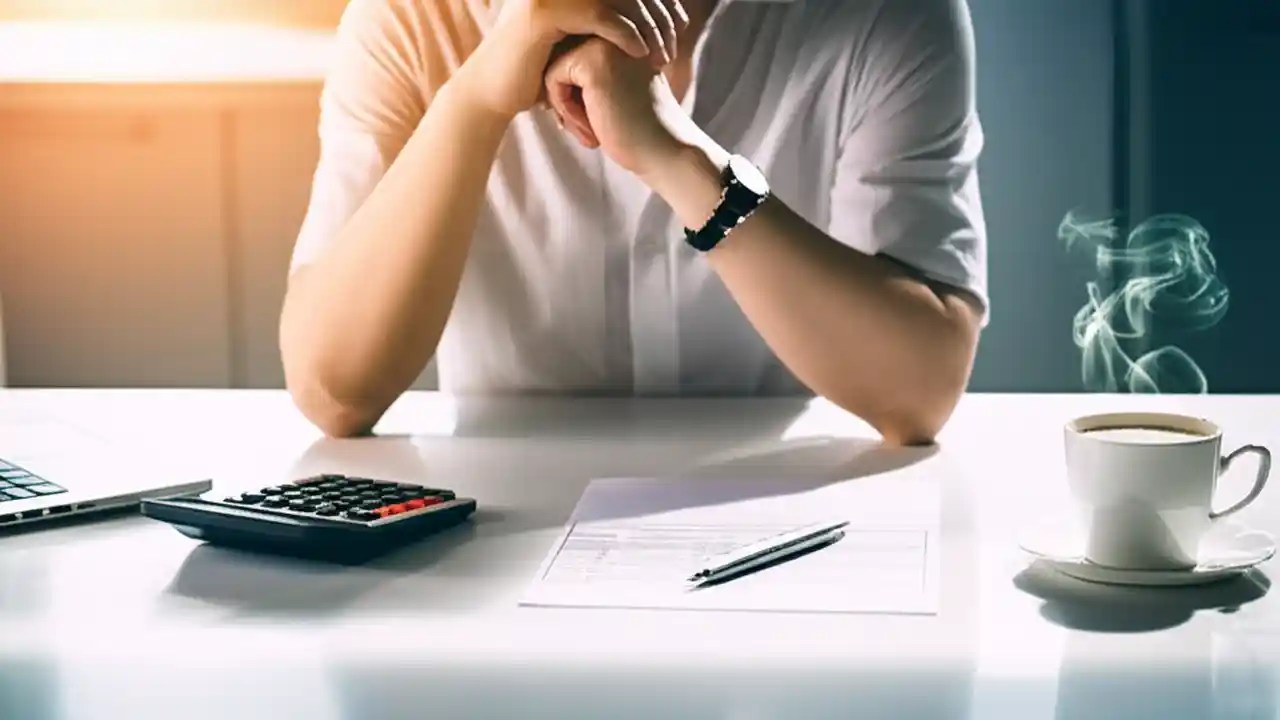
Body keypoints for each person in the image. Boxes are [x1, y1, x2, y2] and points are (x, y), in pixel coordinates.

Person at [281, 0, 988, 444]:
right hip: (489, 542)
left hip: (778, 526)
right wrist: (472, 104)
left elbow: (918, 393)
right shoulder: (408, 18)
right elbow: (335, 393)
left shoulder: (888, 14)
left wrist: (679, 159)